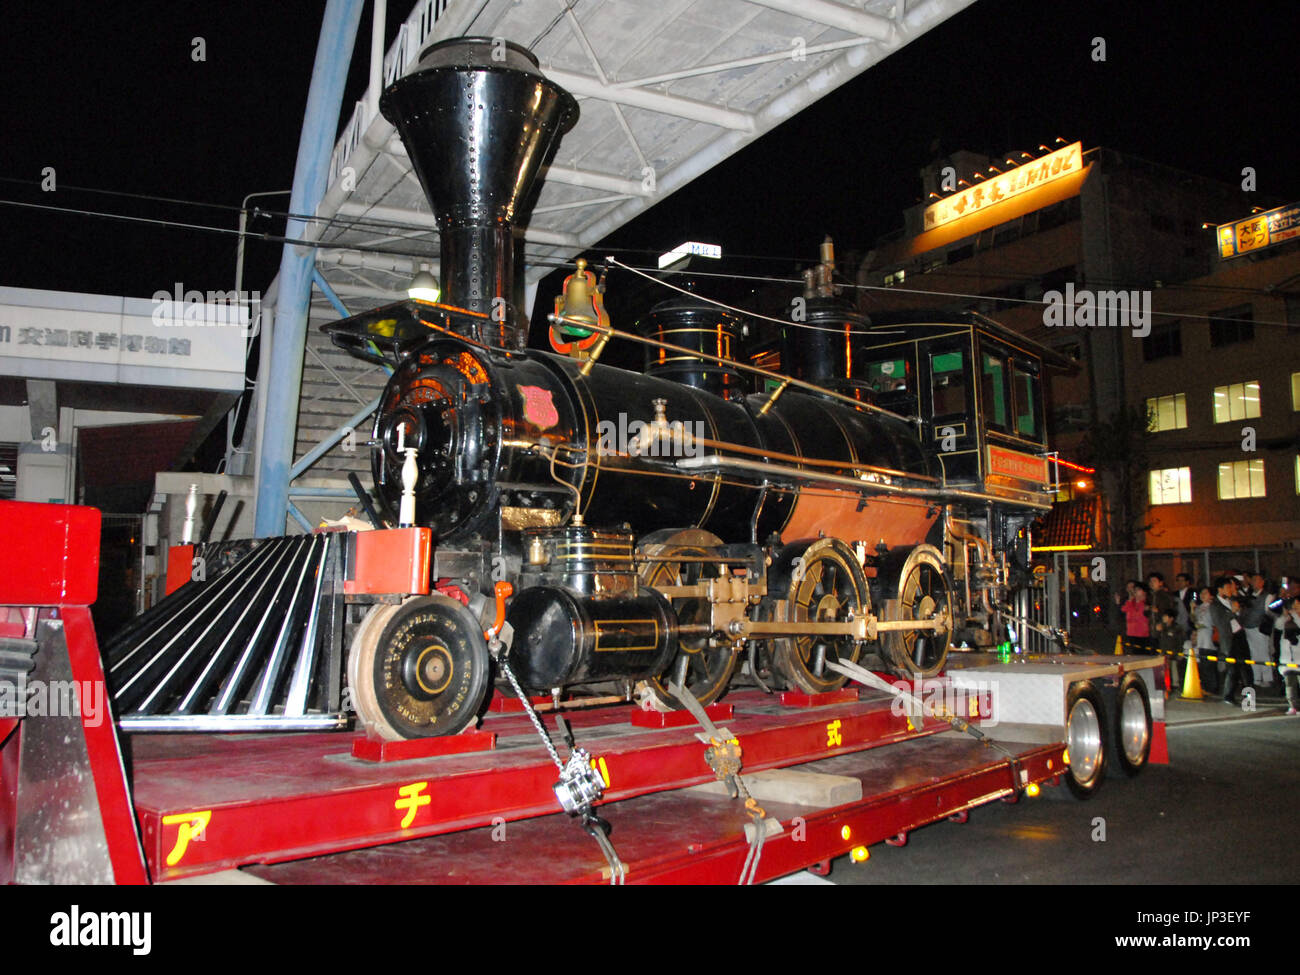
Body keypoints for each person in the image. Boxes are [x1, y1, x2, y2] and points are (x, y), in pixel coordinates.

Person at [1211, 575, 1253, 705]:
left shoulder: (1233, 599)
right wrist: (1232, 612)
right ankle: (1228, 696)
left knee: (1245, 667)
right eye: (1228, 587)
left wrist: (1238, 611)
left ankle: (1249, 698)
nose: (1230, 589)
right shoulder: (1215, 605)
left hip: (1239, 635)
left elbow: (1244, 614)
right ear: (1220, 589)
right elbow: (1220, 622)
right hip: (1228, 639)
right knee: (1232, 668)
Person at [1193, 586, 1221, 694]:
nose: (1202, 595)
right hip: (1201, 637)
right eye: (1201, 593)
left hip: (1209, 636)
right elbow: (1194, 620)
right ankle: (1205, 686)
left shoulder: (1213, 607)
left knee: (1210, 663)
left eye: (1205, 593)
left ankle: (1213, 687)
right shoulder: (1199, 607)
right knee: (1203, 663)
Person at [1277, 596, 1300, 715]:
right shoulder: (1286, 620)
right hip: (1287, 657)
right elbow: (1278, 625)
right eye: (1294, 605)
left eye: (1298, 605)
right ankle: (1293, 706)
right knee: (1289, 684)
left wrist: (1295, 616)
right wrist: (1285, 615)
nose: (1295, 608)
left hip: (1299, 656)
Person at [1120, 583, 1153, 652]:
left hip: (1143, 635)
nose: (1135, 591)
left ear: (1144, 592)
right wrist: (1130, 600)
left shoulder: (1147, 604)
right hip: (1131, 634)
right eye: (1135, 590)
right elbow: (1123, 610)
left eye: (1138, 590)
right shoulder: (1131, 603)